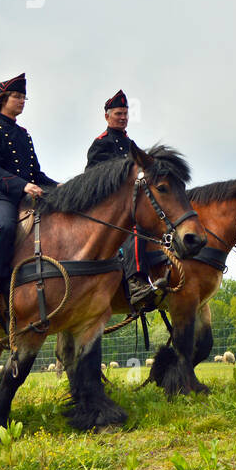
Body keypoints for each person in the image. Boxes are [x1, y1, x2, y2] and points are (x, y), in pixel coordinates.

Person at [0, 73, 60, 327]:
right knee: (5, 227)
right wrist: (24, 186)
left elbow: (36, 174)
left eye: (24, 97)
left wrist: (59, 187)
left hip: (24, 194)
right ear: (3, 99)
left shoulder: (24, 134)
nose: (22, 101)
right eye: (17, 96)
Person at [85, 89, 156, 314]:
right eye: (118, 113)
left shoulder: (131, 144)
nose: (123, 117)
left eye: (126, 113)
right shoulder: (100, 144)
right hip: (109, 208)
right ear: (107, 116)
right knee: (134, 228)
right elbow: (93, 179)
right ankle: (136, 282)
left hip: (132, 203)